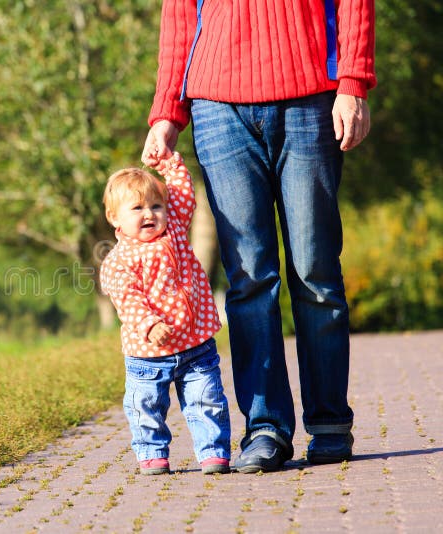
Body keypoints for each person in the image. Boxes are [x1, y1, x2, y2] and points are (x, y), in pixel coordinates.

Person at [141, 1, 376, 473]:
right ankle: (266, 428)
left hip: (311, 97)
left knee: (315, 270)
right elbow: (180, 19)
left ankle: (329, 424)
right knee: (248, 280)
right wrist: (167, 111)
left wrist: (352, 83)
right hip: (218, 107)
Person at [100, 154, 231, 475]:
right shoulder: (118, 261)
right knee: (146, 407)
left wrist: (169, 163)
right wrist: (149, 324)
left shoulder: (173, 229)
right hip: (148, 353)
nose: (149, 214)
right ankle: (152, 452)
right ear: (114, 217)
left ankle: (212, 451)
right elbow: (127, 298)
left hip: (195, 344)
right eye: (137, 209)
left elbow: (184, 194)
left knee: (206, 400)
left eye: (156, 207)